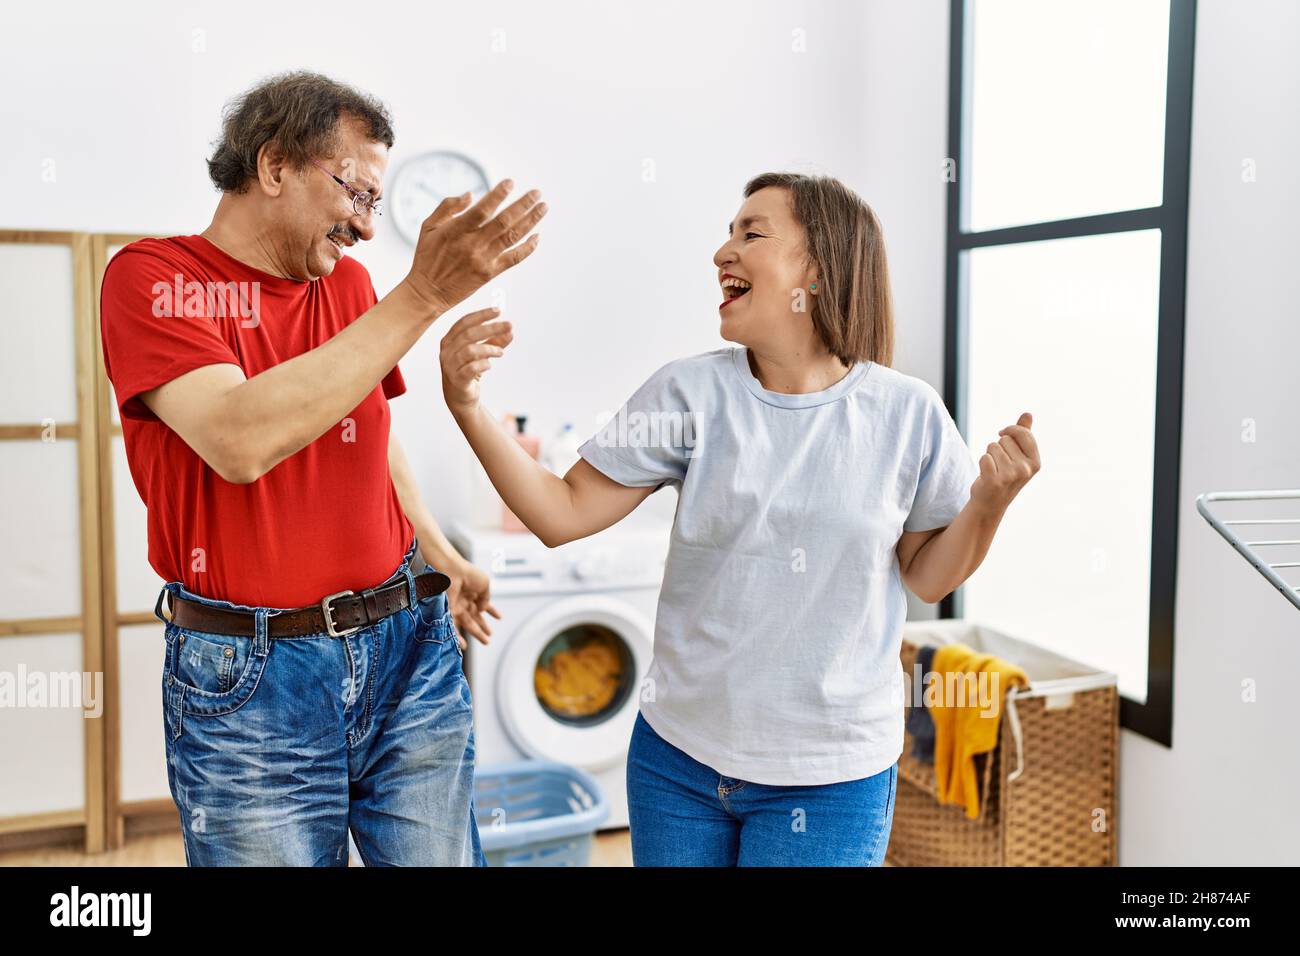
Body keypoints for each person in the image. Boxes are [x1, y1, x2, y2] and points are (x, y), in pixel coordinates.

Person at [437, 171, 1040, 866]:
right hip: (677, 761)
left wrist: (990, 502)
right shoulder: (689, 393)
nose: (723, 252)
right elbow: (561, 513)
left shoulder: (905, 414)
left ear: (818, 269)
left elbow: (928, 577)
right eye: (729, 232)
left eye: (752, 233)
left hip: (829, 776)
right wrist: (466, 405)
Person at [99, 70, 546, 866]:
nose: (368, 230)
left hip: (408, 647)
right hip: (252, 681)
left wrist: (441, 554)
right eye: (358, 196)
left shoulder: (350, 286)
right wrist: (423, 295)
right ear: (274, 167)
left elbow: (369, 437)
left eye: (377, 203)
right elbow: (239, 439)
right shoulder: (156, 280)